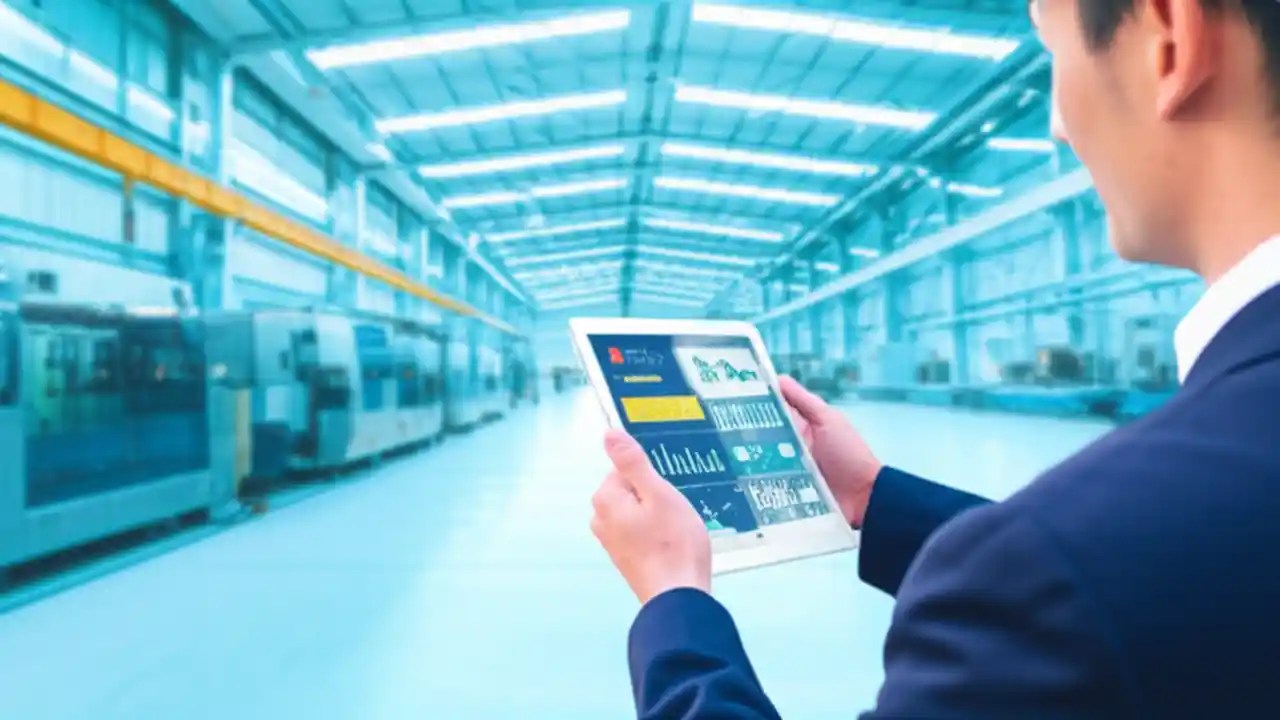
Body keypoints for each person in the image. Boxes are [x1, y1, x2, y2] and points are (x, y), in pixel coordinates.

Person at [589, 0, 1280, 716]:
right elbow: (1155, 579)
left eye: (1055, 53)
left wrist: (674, 602)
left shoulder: (1059, 573)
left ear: (1171, 37)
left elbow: (1079, 583)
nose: (1058, 123)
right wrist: (871, 497)